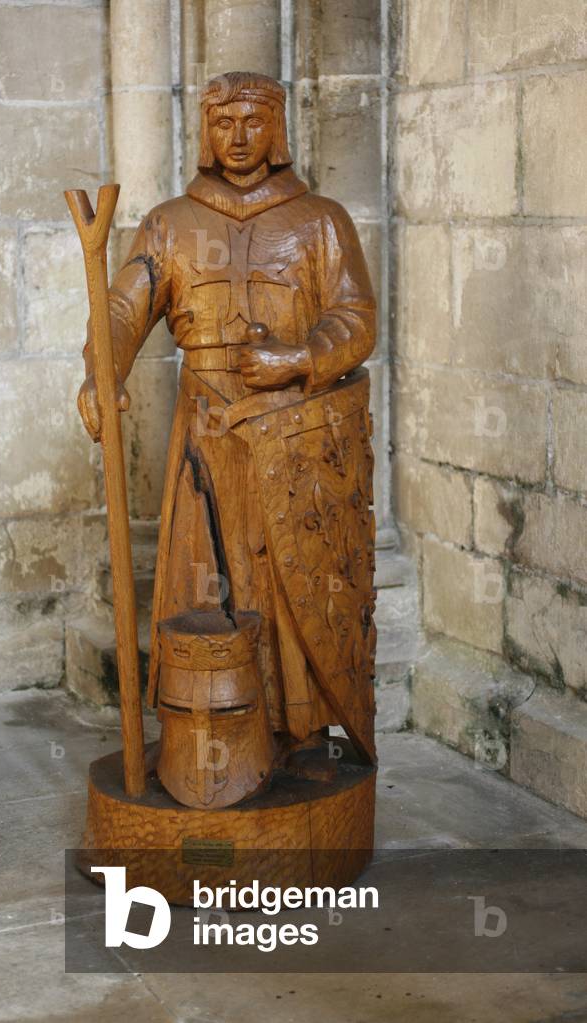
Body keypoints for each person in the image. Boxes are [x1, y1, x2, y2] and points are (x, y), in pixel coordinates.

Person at [77, 71, 376, 779]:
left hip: (290, 432)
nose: (238, 136)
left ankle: (301, 731)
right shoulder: (170, 224)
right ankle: (203, 730)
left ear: (277, 129)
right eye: (223, 122)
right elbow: (120, 311)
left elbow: (356, 318)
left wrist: (299, 357)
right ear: (206, 133)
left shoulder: (321, 221)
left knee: (287, 576)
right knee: (204, 574)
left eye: (252, 120)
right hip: (205, 434)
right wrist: (100, 373)